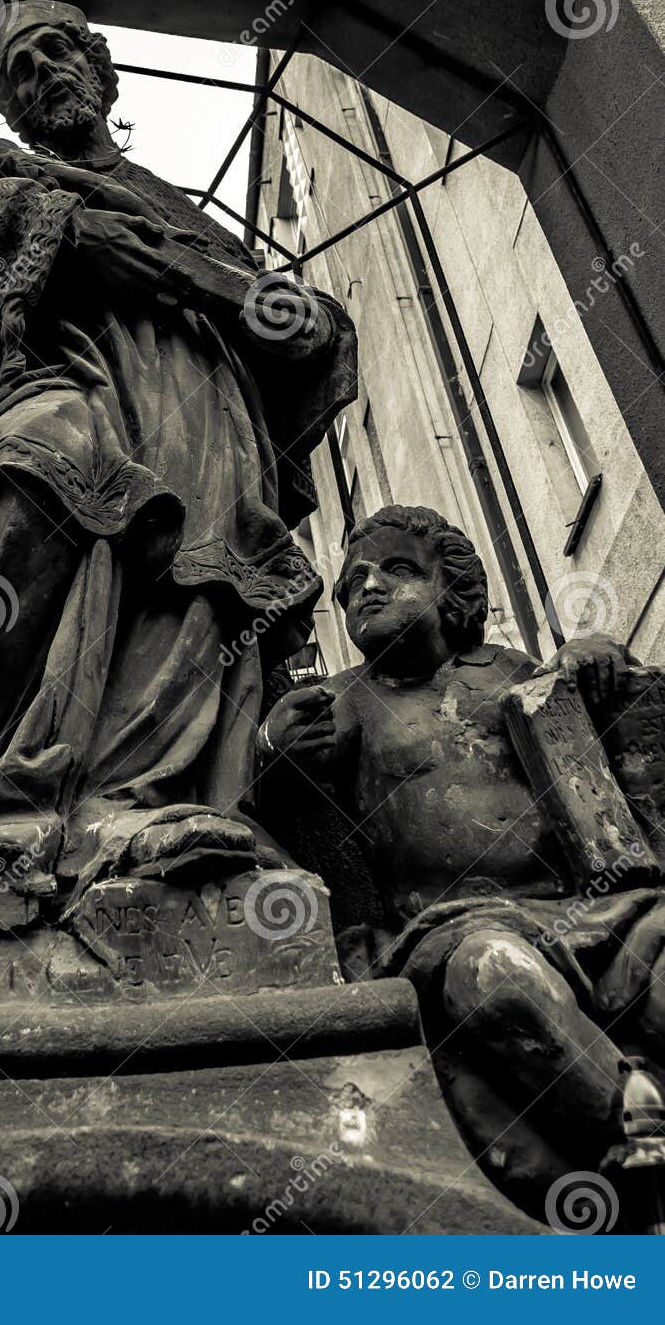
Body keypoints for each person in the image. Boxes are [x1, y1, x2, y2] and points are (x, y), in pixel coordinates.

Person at [0, 0, 357, 892]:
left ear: (100, 71)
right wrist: (66, 228)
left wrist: (180, 270)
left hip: (195, 402)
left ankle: (138, 803)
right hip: (55, 380)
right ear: (10, 108)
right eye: (18, 73)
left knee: (193, 584)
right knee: (22, 491)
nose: (42, 78)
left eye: (55, 54)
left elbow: (303, 326)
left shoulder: (170, 204)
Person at [261, 503, 665, 1209]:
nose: (367, 587)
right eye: (351, 582)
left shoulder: (507, 670)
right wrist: (273, 750)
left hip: (596, 904)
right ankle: (624, 1110)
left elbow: (596, 727)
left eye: (393, 569)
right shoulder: (344, 702)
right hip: (456, 925)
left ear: (451, 588)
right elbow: (282, 813)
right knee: (497, 981)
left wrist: (596, 655)